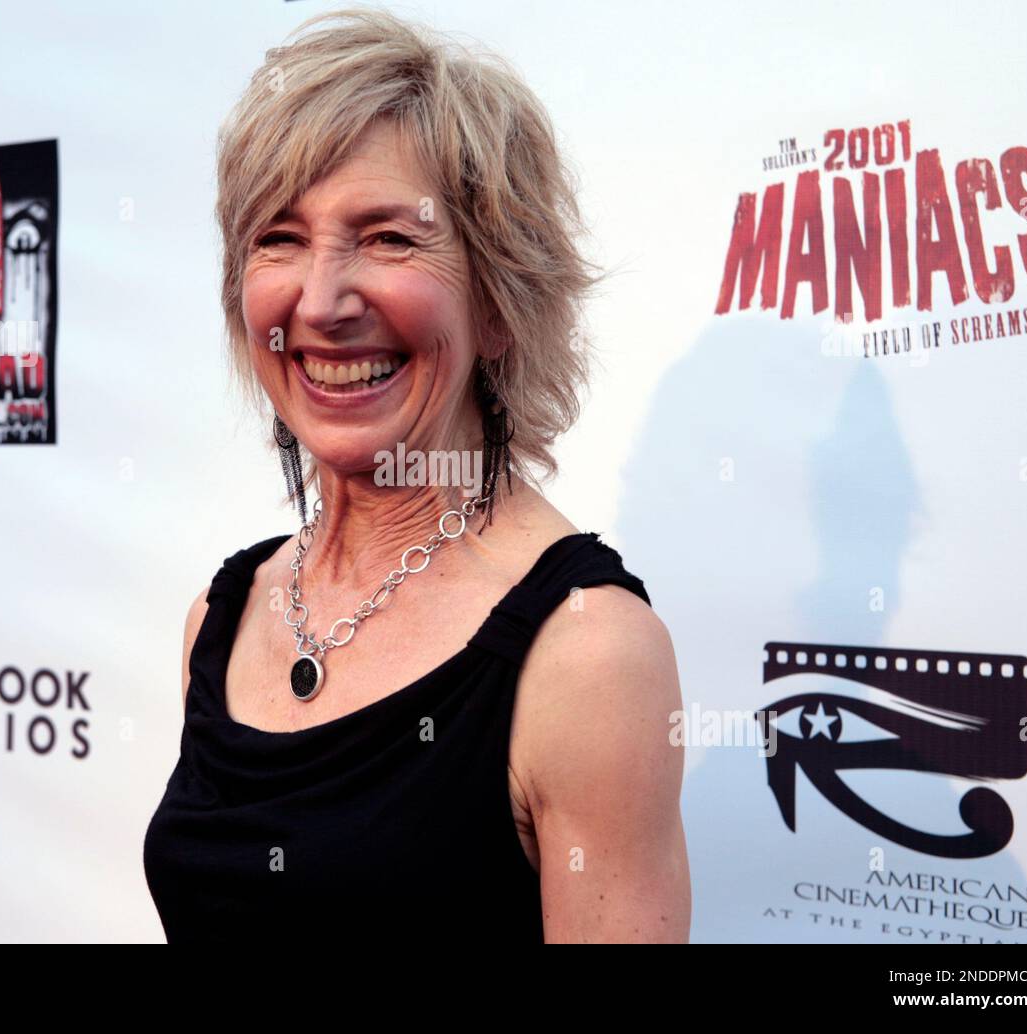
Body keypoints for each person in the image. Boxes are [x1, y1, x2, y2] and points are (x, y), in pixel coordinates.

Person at [144, 6, 690, 943]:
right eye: (280, 238)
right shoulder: (222, 617)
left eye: (390, 238)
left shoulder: (587, 655)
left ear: (502, 300)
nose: (322, 302)